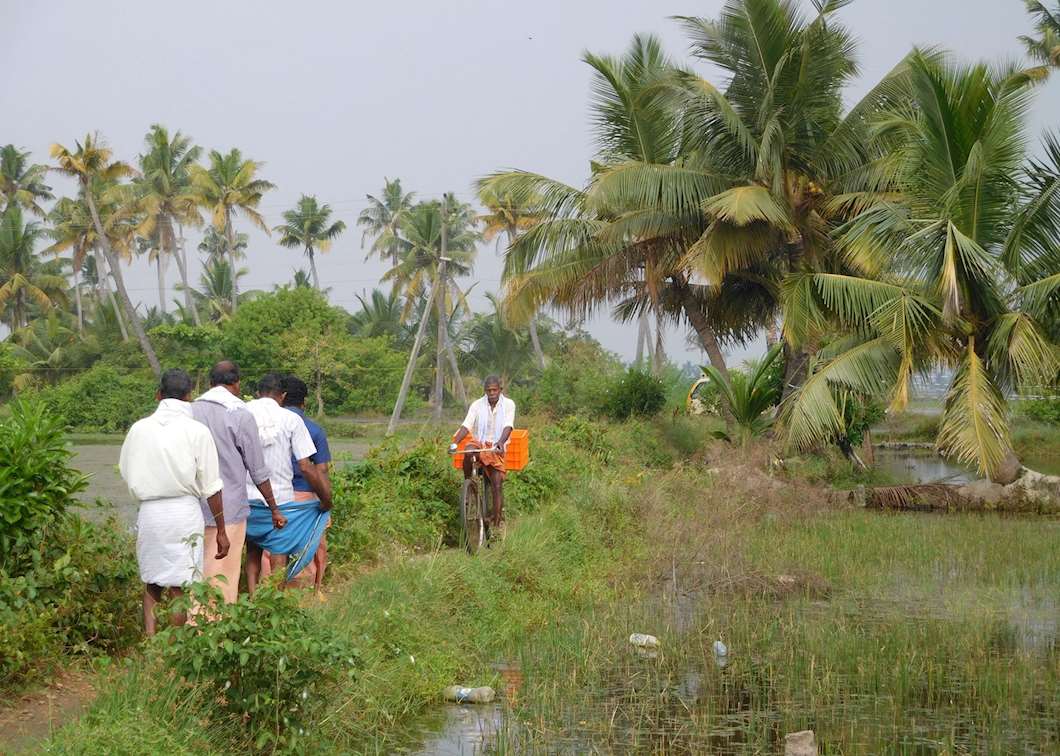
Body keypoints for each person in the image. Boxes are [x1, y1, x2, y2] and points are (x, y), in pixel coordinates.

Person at [119, 369, 227, 636]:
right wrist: (222, 530)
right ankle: (174, 645)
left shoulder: (138, 429)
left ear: (158, 395)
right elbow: (212, 486)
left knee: (152, 581)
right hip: (183, 512)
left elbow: (125, 469)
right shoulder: (197, 431)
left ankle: (151, 640)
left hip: (150, 513)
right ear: (190, 396)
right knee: (181, 583)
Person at [192, 361, 285, 603]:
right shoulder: (240, 414)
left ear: (211, 382)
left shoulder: (191, 410)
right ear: (236, 383)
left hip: (192, 506)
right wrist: (274, 508)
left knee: (195, 572)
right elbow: (257, 469)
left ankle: (191, 629)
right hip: (229, 507)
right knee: (223, 573)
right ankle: (217, 629)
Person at [244, 373, 333, 592]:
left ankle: (255, 597)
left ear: (257, 392)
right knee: (283, 550)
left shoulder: (242, 413)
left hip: (247, 498)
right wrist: (326, 499)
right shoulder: (300, 424)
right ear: (281, 396)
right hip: (287, 498)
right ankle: (290, 596)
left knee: (254, 552)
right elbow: (313, 468)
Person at [281, 375, 332, 592]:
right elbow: (321, 469)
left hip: (274, 496)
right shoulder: (314, 430)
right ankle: (312, 591)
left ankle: (270, 594)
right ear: (304, 402)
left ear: (280, 398)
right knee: (313, 546)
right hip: (306, 496)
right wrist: (326, 499)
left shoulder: (271, 424)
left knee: (274, 548)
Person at [449, 375, 515, 528]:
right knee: (468, 451)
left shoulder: (509, 405)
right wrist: (455, 443)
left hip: (496, 447)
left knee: (497, 485)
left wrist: (500, 442)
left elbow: (508, 426)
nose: (491, 393)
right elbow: (467, 425)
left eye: (494, 390)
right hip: (480, 443)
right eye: (488, 390)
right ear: (485, 391)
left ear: (500, 390)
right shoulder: (477, 405)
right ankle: (469, 484)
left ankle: (496, 523)